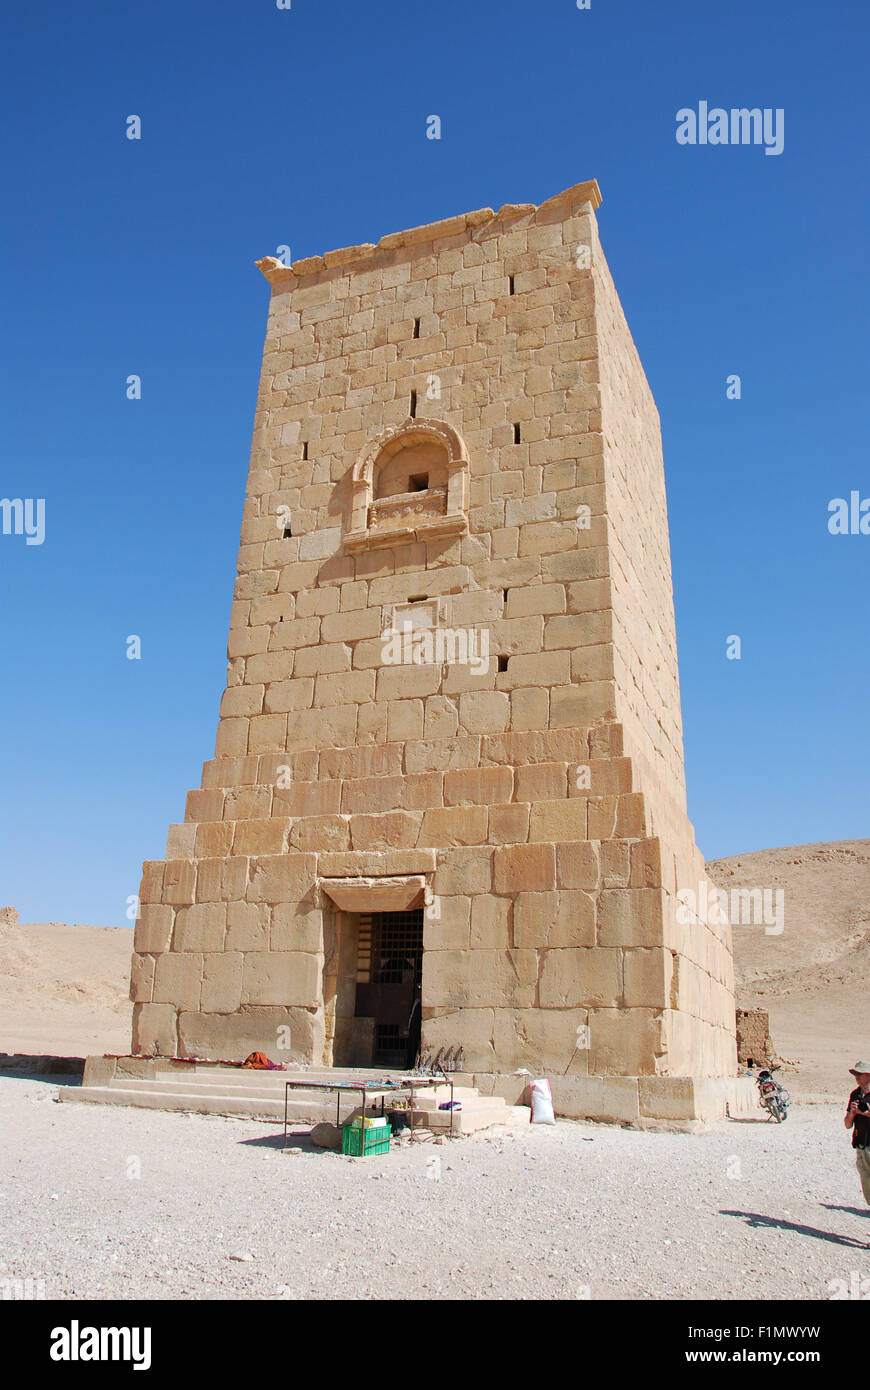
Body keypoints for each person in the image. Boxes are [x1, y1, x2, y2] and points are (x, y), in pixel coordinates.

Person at [844, 1061, 870, 1205]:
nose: (856, 1077)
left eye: (859, 1074)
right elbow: (847, 1124)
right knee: (866, 1181)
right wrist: (853, 1113)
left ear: (868, 1075)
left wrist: (866, 1113)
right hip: (861, 1144)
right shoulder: (855, 1095)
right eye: (855, 1074)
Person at [405, 982, 422, 1069]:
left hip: (420, 1028)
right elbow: (412, 1015)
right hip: (414, 1028)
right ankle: (409, 1065)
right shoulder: (417, 1002)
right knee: (412, 1046)